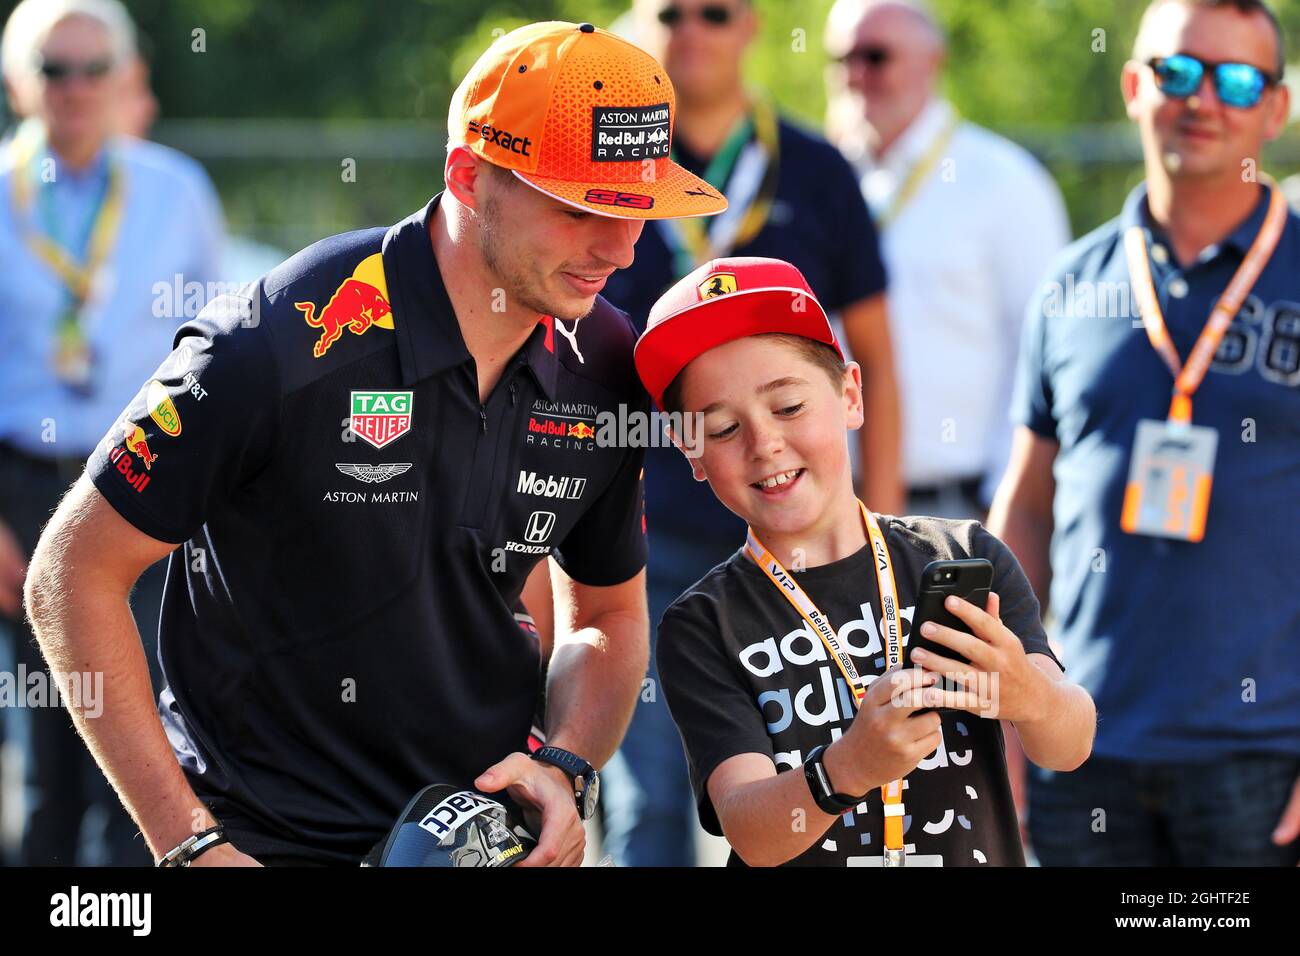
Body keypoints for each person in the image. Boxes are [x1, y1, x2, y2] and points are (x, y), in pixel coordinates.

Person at [21, 20, 727, 867]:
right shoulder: (275, 340)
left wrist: (565, 763)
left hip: (475, 843)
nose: (619, 249)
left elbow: (608, 615)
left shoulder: (606, 363)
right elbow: (70, 574)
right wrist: (189, 844)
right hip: (255, 841)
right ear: (468, 176)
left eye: (636, 207)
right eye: (581, 207)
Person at [637, 256, 1094, 866]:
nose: (764, 442)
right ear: (690, 452)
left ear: (850, 394)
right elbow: (751, 830)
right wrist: (846, 769)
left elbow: (1071, 742)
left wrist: (1028, 695)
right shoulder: (702, 624)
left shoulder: (964, 555)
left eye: (789, 407)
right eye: (722, 428)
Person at [990, 0, 1300, 866]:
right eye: (1176, 71)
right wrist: (1006, 706)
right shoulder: (1071, 284)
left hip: (1264, 752)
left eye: (1238, 79)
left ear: (1274, 108)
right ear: (1135, 86)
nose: (1204, 99)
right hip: (1081, 739)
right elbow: (1025, 513)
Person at [594, 0, 898, 867]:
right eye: (670, 13)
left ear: (753, 25)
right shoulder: (609, 175)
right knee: (652, 804)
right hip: (649, 535)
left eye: (715, 12)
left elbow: (873, 351)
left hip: (806, 537)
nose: (691, 30)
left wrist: (891, 515)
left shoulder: (815, 167)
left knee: (828, 785)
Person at [0, 0, 223, 865]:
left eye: (95, 68)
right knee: (46, 759)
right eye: (56, 69)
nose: (76, 88)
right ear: (22, 82)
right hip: (22, 486)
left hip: (147, 484)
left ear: (127, 77)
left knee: (144, 753)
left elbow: (222, 357)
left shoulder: (176, 189)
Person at [824, 0, 1070, 519]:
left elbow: (1043, 348)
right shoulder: (822, 176)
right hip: (825, 506)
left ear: (932, 60)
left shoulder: (1004, 181)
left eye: (875, 56)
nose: (855, 75)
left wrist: (1011, 507)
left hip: (958, 509)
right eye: (840, 59)